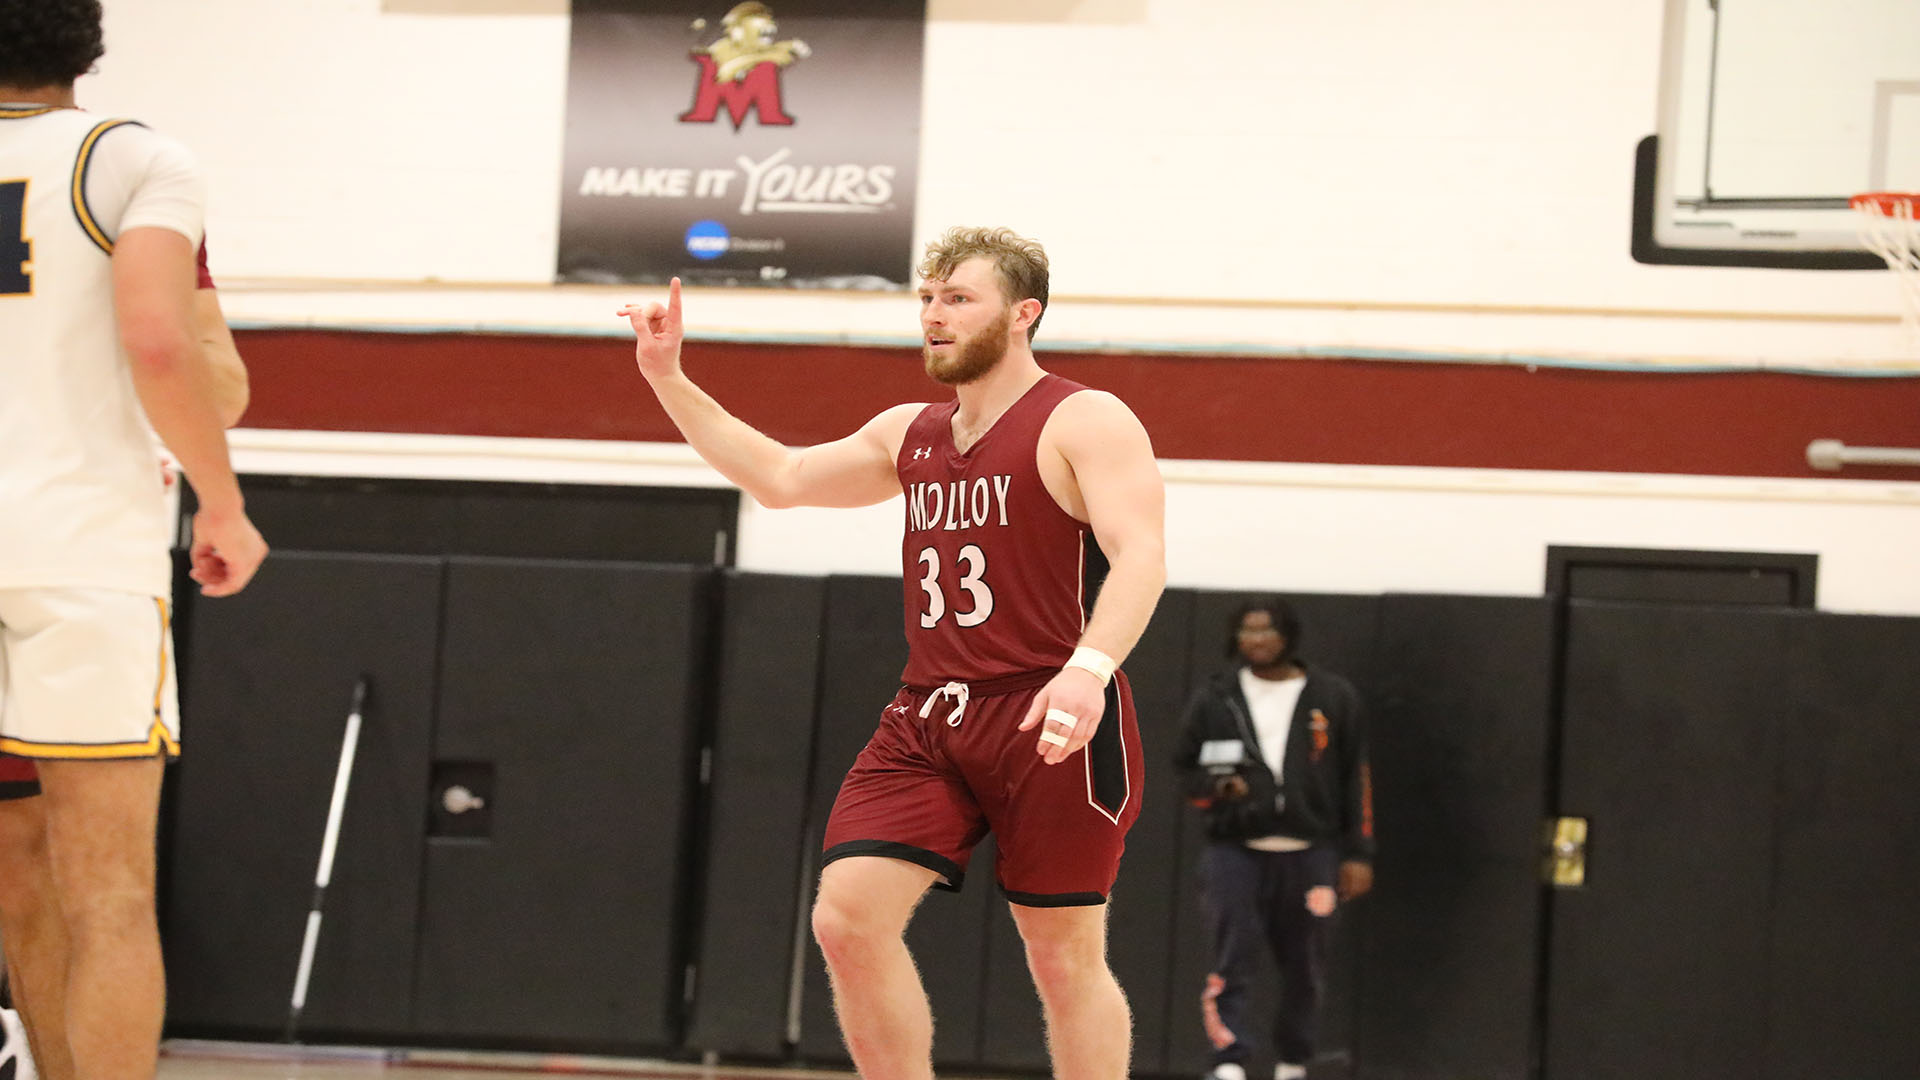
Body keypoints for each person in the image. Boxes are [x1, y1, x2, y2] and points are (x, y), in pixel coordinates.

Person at [620, 226, 1166, 1080]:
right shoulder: (907, 432)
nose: (934, 317)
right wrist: (669, 379)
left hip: (1049, 708)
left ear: (1023, 314)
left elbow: (1142, 555)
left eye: (957, 300)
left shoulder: (1083, 418)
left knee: (1062, 957)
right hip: (929, 715)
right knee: (845, 919)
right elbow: (782, 479)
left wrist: (1088, 670)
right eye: (926, 299)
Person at [0, 4, 269, 1078]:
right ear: (90, 45)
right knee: (104, 889)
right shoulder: (132, 160)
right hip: (79, 556)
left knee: (18, 869)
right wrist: (223, 501)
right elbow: (165, 344)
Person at [1173, 598, 1375, 1080]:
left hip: (1312, 856)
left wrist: (1358, 853)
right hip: (1234, 852)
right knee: (1231, 958)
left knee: (1306, 966)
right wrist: (1215, 789)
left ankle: (1292, 1062)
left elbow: (1356, 779)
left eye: (1266, 631)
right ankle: (1228, 1062)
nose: (1256, 640)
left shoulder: (1332, 695)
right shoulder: (1216, 696)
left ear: (1287, 636)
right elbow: (1185, 770)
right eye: (1246, 631)